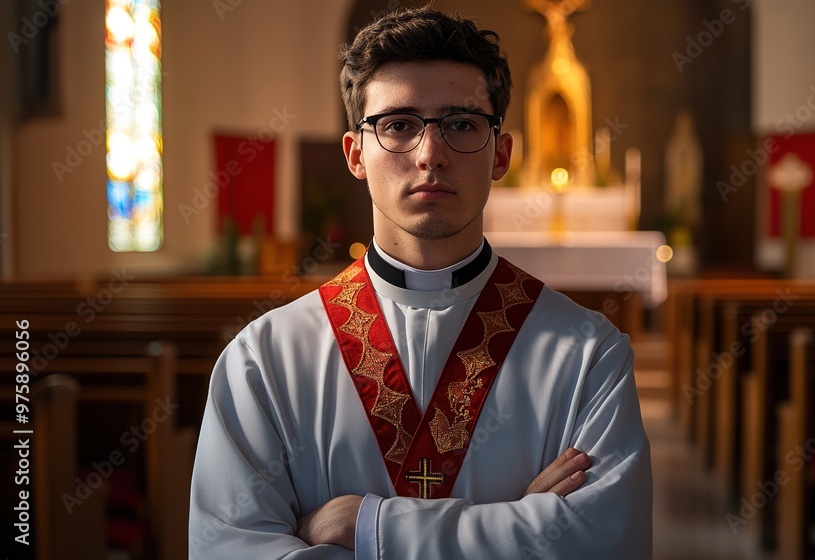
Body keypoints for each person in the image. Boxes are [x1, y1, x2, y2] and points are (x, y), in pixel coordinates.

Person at [188, 7, 652, 558]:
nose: (431, 155)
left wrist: (364, 526)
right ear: (356, 153)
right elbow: (229, 549)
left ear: (501, 153)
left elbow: (605, 542)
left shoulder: (587, 355)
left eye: (461, 124)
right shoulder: (263, 360)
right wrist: (520, 526)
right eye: (399, 124)